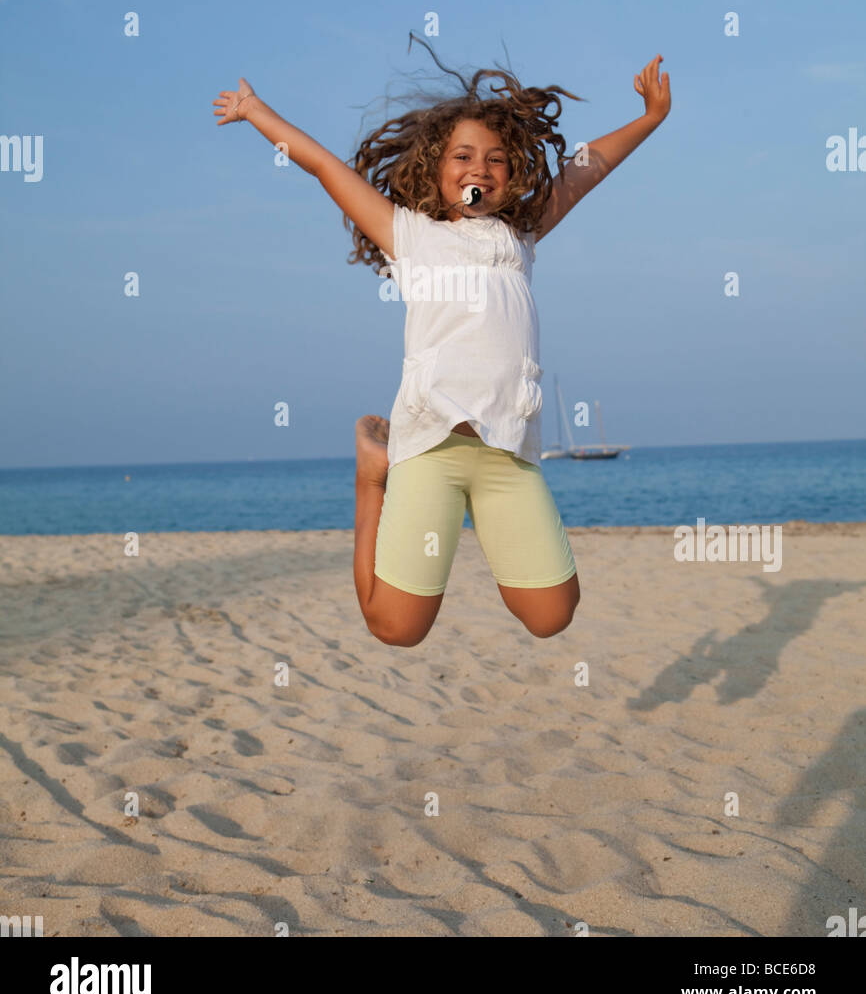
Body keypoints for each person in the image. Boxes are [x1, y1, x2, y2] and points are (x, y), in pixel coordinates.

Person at [213, 35, 671, 648]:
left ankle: (482, 521)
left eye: (496, 159)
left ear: (513, 176)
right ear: (434, 168)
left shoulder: (520, 236)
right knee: (395, 628)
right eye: (462, 156)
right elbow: (326, 166)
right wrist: (256, 112)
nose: (479, 168)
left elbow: (583, 172)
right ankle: (369, 475)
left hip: (508, 450)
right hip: (429, 444)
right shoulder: (409, 234)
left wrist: (649, 117)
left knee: (552, 614)